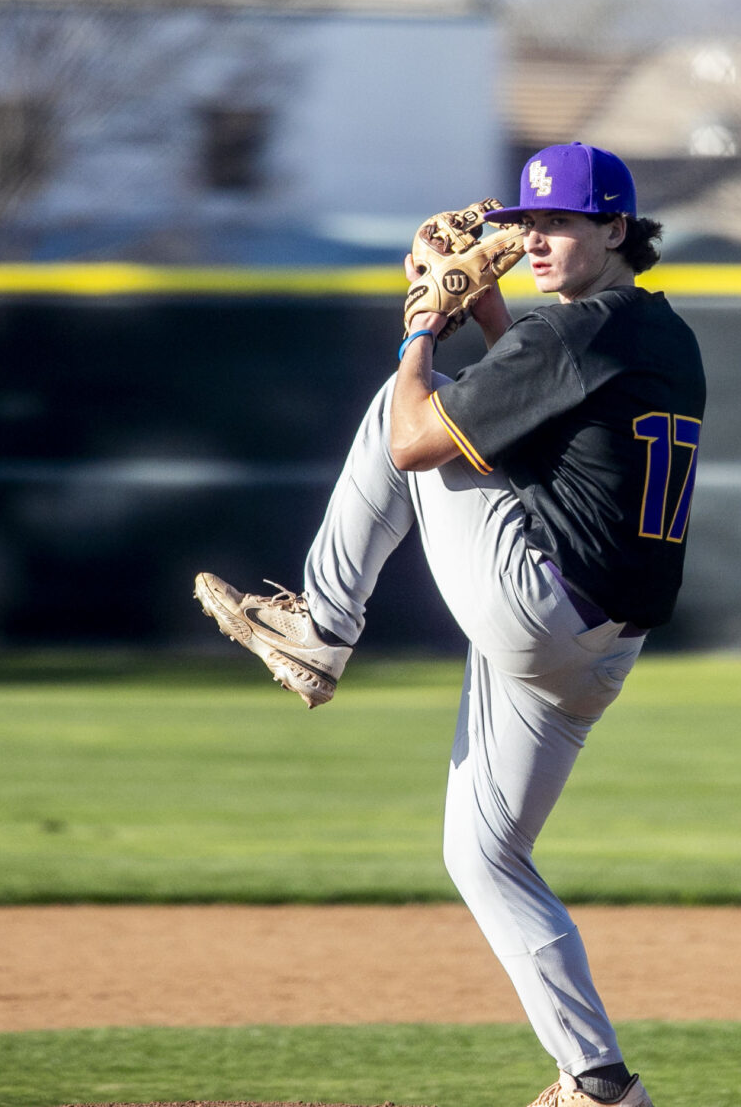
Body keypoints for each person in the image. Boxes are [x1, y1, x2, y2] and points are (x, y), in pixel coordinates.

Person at [194, 141, 706, 1107]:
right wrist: (484, 313)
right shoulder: (654, 332)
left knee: (402, 405)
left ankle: (322, 628)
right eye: (528, 222)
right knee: (483, 854)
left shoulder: (574, 335)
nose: (536, 239)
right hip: (596, 651)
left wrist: (424, 328)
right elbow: (540, 423)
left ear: (615, 228)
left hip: (539, 611)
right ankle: (597, 1081)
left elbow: (419, 439)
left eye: (560, 222)